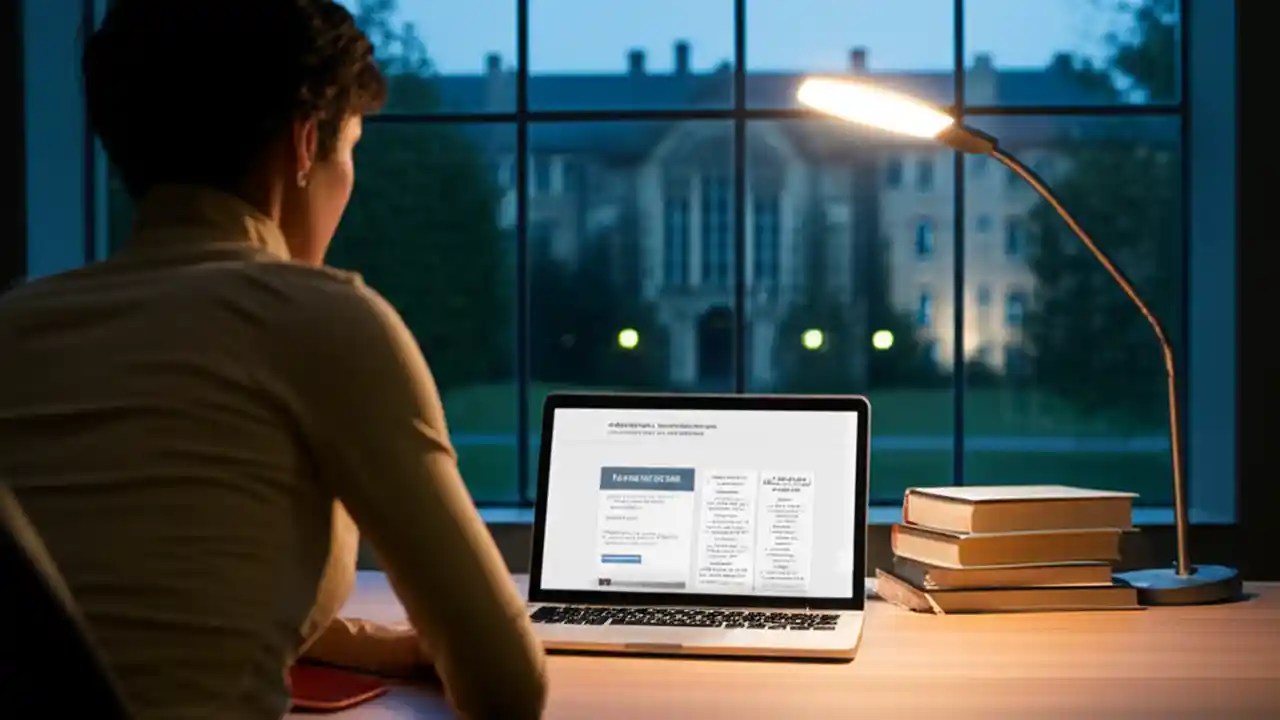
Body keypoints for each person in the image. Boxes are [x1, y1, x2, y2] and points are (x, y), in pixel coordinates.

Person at [0, 1, 546, 718]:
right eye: (348, 151)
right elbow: (506, 686)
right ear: (302, 144)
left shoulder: (15, 325)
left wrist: (377, 647)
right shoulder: (320, 320)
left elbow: (146, 596)